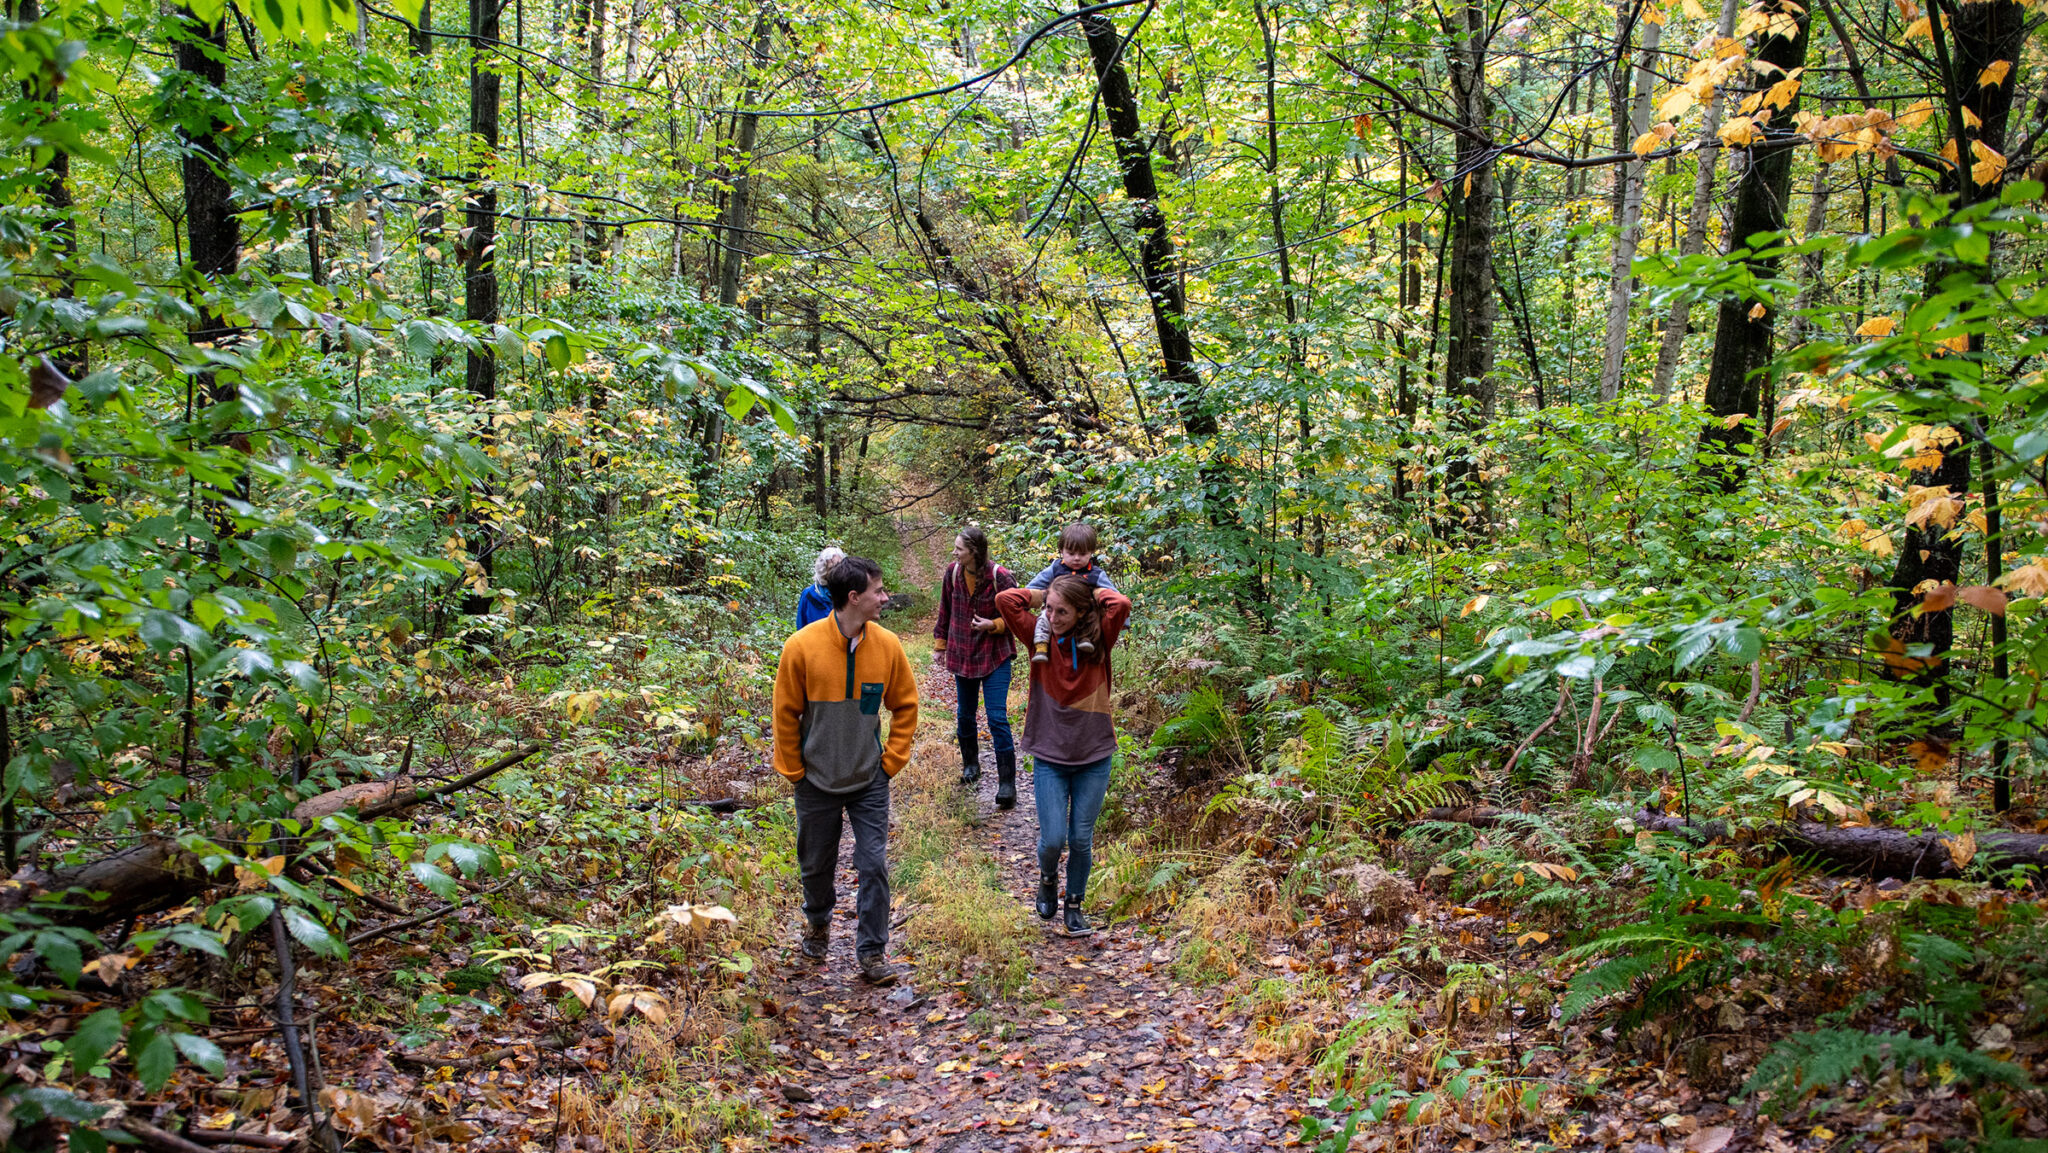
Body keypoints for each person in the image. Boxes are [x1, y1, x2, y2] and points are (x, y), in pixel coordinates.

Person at [772, 556, 919, 985]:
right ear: (853, 598)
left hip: (868, 778)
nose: (885, 597)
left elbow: (906, 706)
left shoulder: (887, 645)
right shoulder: (801, 646)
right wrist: (795, 771)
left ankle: (872, 951)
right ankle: (817, 922)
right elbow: (784, 714)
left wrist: (890, 761)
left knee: (873, 863)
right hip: (815, 779)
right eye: (878, 590)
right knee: (816, 864)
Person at [994, 574, 1131, 937]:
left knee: (1081, 838)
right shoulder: (1039, 640)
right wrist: (1044, 593)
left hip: (1094, 754)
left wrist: (1094, 588)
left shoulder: (1099, 639)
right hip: (1050, 755)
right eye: (1049, 611)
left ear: (1082, 611)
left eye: (1062, 612)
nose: (1053, 618)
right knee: (1053, 839)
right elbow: (1006, 601)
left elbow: (1121, 605)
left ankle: (1074, 906)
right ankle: (1048, 877)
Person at [932, 526, 1020, 805]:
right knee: (965, 716)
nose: (955, 552)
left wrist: (993, 624)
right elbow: (944, 608)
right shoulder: (953, 573)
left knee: (996, 718)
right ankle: (971, 766)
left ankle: (1007, 785)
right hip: (962, 653)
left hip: (995, 655)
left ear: (974, 552)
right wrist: (940, 645)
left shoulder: (1000, 577)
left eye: (959, 548)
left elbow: (1019, 614)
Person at [1024, 523, 1115, 664]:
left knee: (1092, 616)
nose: (1077, 558)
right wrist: (1035, 597)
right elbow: (1033, 586)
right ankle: (1041, 644)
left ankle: (1086, 639)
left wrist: (1124, 621)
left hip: (1084, 611)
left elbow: (1114, 596)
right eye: (1071, 553)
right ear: (1061, 550)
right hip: (1057, 610)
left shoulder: (1096, 573)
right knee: (1043, 618)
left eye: (1083, 554)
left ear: (1091, 552)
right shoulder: (1056, 568)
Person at [794, 546, 845, 628]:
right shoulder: (809, 594)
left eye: (840, 566)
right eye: (832, 568)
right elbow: (801, 627)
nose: (838, 571)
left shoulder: (848, 593)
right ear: (824, 570)